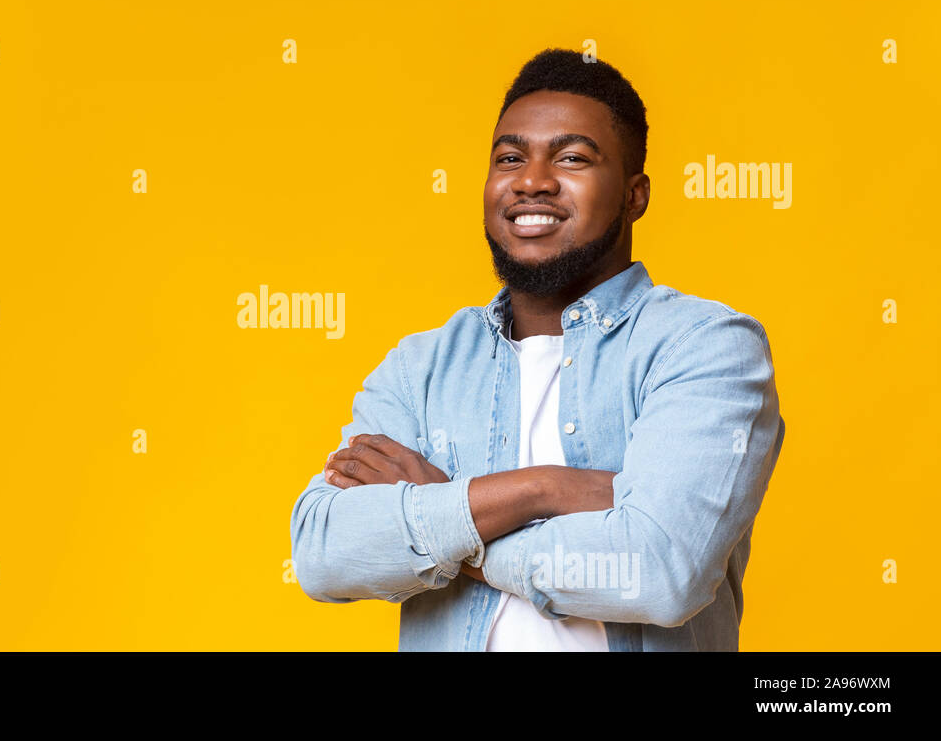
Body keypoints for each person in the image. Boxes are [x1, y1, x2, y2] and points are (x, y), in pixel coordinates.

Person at [289, 47, 786, 651]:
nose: (532, 182)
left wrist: (446, 508)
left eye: (572, 157)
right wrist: (544, 489)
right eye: (510, 158)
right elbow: (323, 553)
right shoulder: (420, 367)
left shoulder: (703, 347)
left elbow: (660, 572)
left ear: (636, 195)